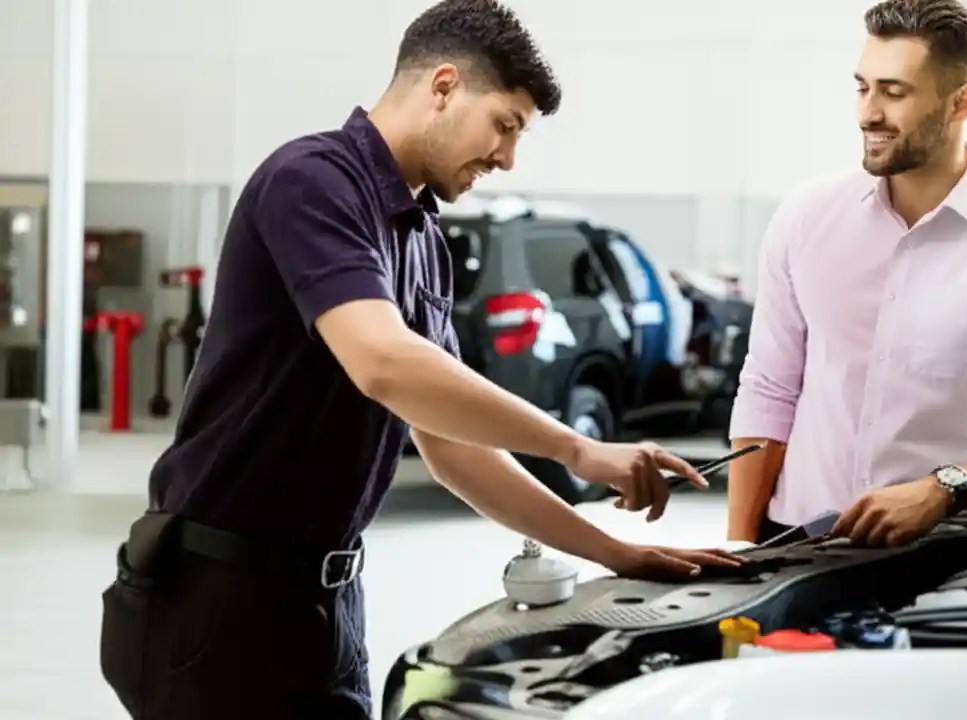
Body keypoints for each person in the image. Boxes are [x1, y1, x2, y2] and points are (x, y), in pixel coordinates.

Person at [98, 1, 739, 717]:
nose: (507, 158)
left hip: (327, 601)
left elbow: (455, 452)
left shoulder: (422, 242)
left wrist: (612, 551)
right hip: (219, 600)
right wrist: (581, 450)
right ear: (442, 87)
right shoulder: (311, 181)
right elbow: (383, 363)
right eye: (506, 125)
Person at [725, 0, 967, 545]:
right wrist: (742, 548)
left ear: (961, 103)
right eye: (863, 87)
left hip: (942, 551)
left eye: (895, 92)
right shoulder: (806, 218)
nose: (868, 113)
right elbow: (769, 387)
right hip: (795, 543)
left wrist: (943, 488)